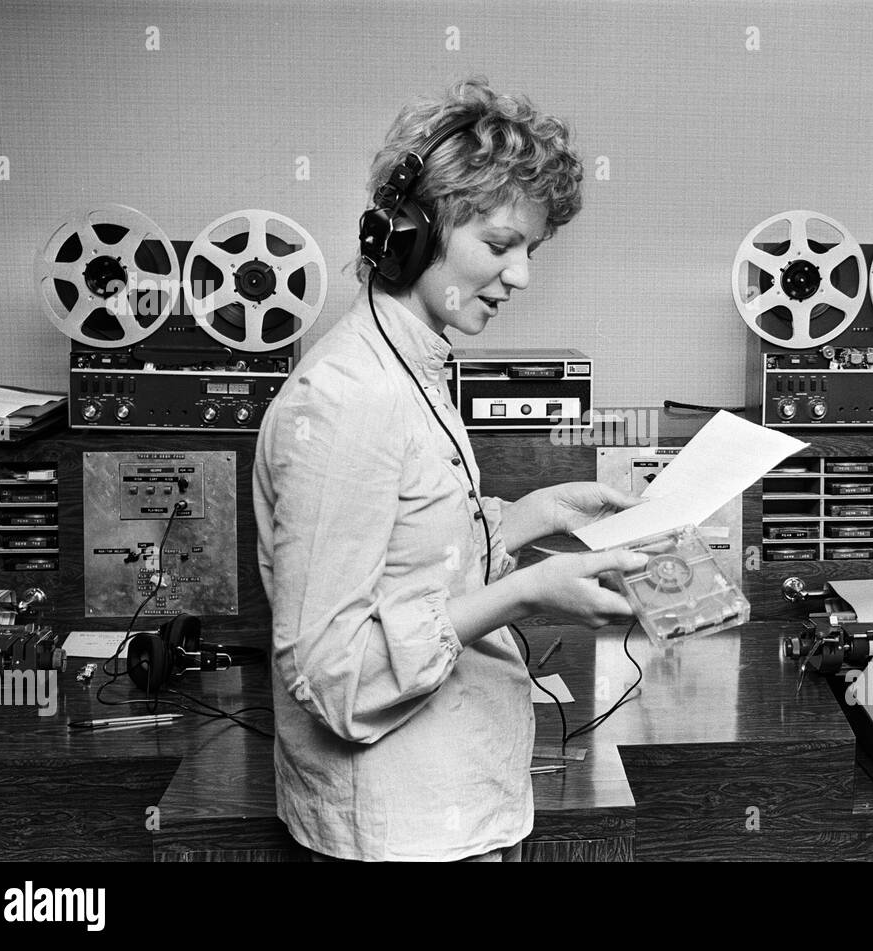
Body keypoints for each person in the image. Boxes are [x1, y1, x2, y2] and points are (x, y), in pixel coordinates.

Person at [252, 78, 648, 862]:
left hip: (455, 809)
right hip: (402, 829)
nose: (522, 276)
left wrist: (534, 513)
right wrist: (527, 592)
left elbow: (413, 561)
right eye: (500, 246)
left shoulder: (411, 366)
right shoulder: (348, 401)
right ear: (409, 233)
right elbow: (336, 677)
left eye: (530, 251)